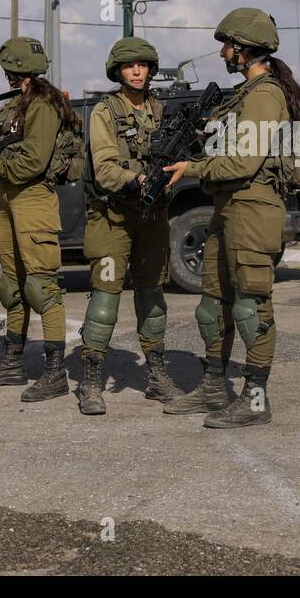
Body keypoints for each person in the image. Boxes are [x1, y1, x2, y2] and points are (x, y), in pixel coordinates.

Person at [162, 7, 300, 428]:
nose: (224, 52)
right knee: (212, 306)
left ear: (245, 50)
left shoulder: (265, 95)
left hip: (254, 208)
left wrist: (189, 170)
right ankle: (213, 387)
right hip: (228, 208)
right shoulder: (243, 95)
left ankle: (256, 400)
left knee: (250, 307)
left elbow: (243, 164)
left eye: (228, 45)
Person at [75, 36, 184, 414]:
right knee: (106, 295)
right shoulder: (105, 111)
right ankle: (91, 384)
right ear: (117, 71)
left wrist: (170, 174)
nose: (137, 71)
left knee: (153, 294)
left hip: (152, 216)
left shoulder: (160, 109)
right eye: (129, 66)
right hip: (113, 217)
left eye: (142, 65)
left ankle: (156, 375)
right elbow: (104, 170)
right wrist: (137, 178)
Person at [0, 38, 80, 403]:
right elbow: (14, 151)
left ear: (10, 68)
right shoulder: (19, 103)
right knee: (12, 286)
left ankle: (54, 373)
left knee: (42, 287)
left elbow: (32, 162)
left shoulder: (44, 104)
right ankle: (14, 363)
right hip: (9, 197)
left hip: (33, 197)